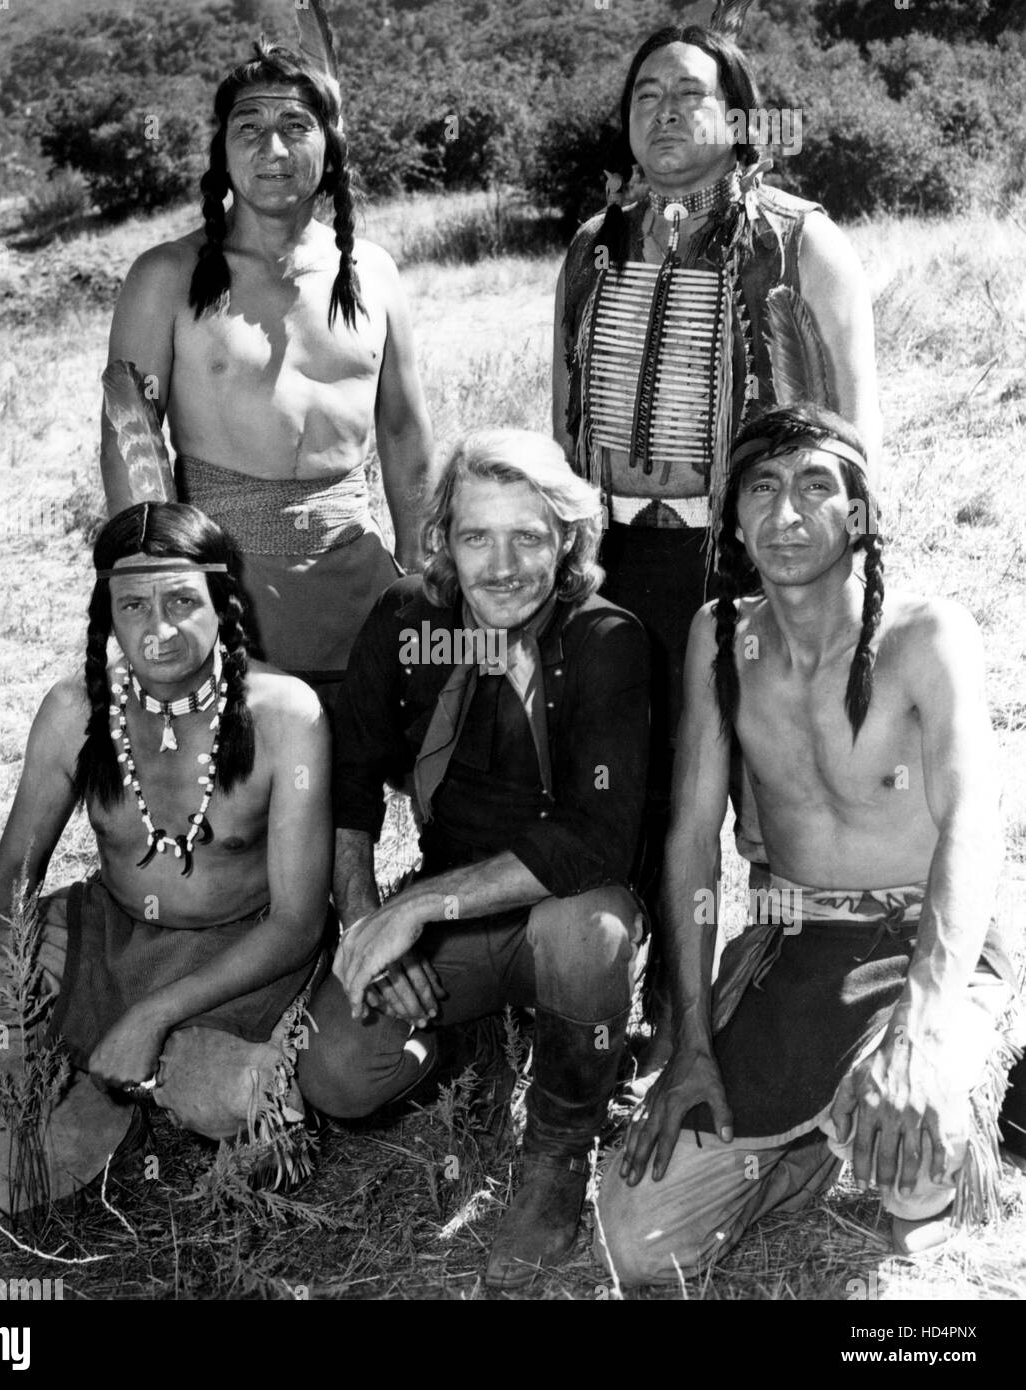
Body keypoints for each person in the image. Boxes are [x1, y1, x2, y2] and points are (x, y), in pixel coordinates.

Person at [595, 405, 1020, 1285]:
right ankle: (816, 1134)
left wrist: (920, 1024)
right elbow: (689, 848)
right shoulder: (721, 637)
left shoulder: (925, 635)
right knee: (638, 1245)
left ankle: (949, 1073)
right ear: (734, 518)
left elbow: (974, 823)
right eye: (762, 489)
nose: (786, 516)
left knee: (910, 1167)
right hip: (788, 946)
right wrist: (692, 1045)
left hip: (920, 939)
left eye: (815, 487)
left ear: (859, 509)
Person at [0, 503, 331, 1223]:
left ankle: (150, 1071)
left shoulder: (287, 715)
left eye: (183, 600)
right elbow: (12, 872)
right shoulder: (75, 710)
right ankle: (103, 1091)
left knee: (237, 1099)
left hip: (240, 956)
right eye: (133, 605)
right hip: (104, 935)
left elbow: (299, 924)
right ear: (108, 617)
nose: (158, 628)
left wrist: (150, 1017)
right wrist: (0, 1024)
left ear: (224, 604)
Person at [296, 429, 650, 1290]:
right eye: (474, 537)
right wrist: (364, 924)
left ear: (568, 538)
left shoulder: (607, 639)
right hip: (451, 910)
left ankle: (561, 1147)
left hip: (557, 906)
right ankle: (462, 1041)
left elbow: (592, 840)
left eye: (527, 537)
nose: (500, 567)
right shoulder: (407, 617)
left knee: (586, 929)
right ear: (442, 541)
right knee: (335, 1074)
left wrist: (414, 909)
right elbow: (350, 786)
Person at [552, 9, 882, 924]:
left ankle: (780, 973)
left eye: (690, 95)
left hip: (747, 559)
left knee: (771, 785)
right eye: (645, 96)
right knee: (628, 783)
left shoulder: (801, 243)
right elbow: (561, 428)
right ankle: (643, 986)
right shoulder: (592, 247)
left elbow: (853, 443)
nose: (663, 112)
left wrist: (835, 581)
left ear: (740, 118)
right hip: (611, 556)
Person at [101, 17, 434, 708]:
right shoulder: (164, 275)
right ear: (221, 152)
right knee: (242, 802)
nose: (272, 147)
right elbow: (131, 438)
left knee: (356, 797)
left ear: (332, 144)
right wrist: (163, 584)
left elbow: (403, 433)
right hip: (224, 584)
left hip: (359, 583)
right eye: (247, 128)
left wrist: (425, 572)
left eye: (295, 125)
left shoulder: (372, 272)